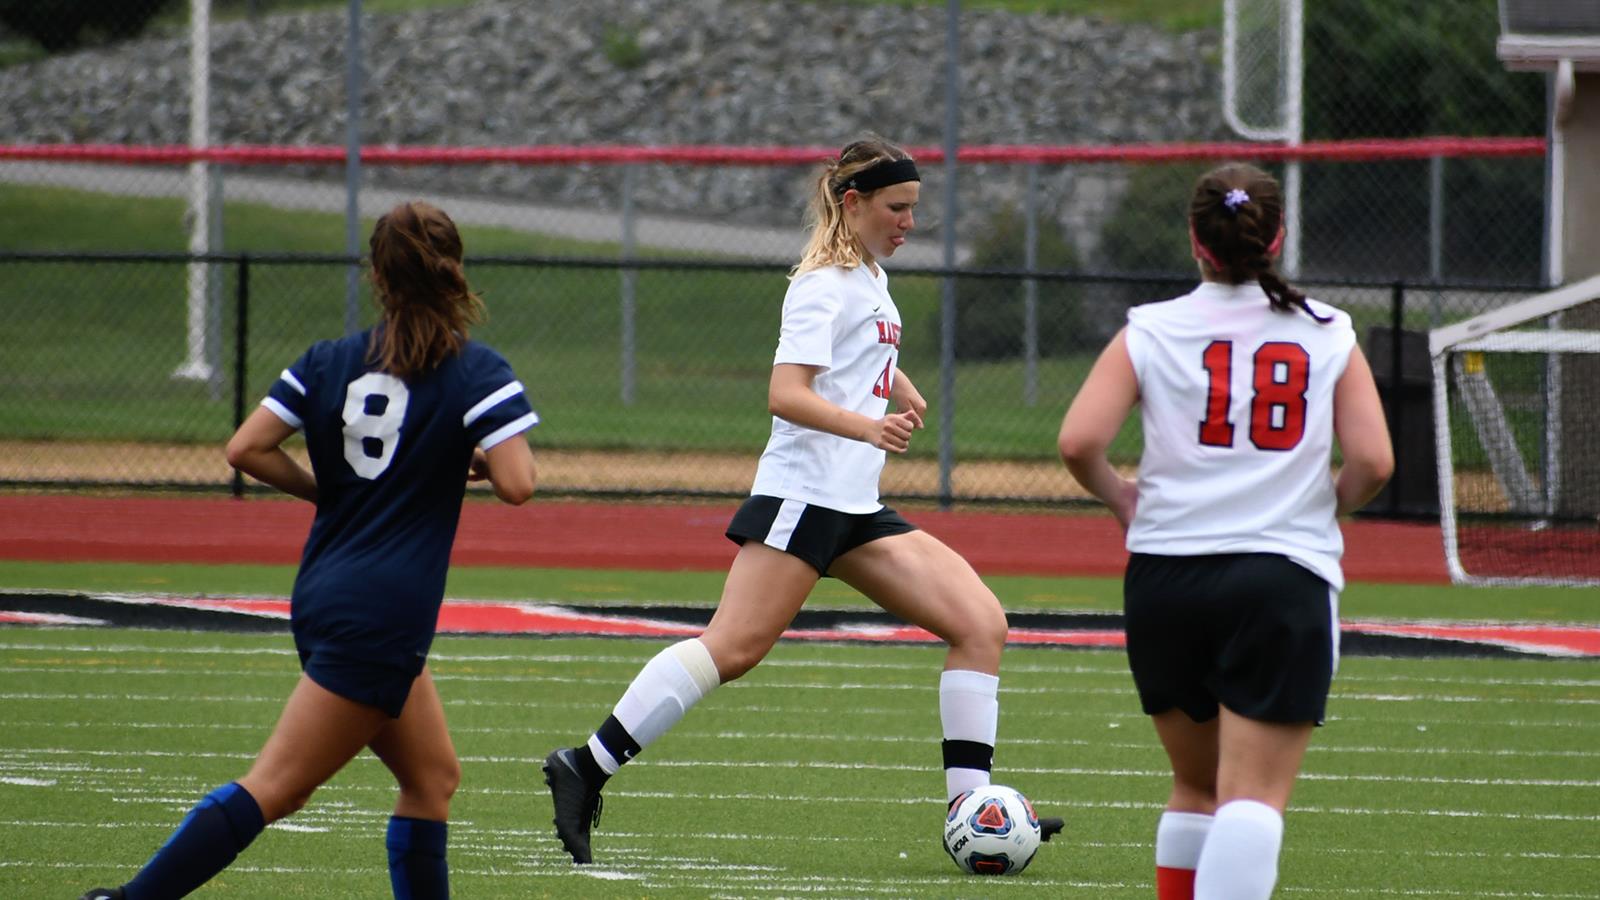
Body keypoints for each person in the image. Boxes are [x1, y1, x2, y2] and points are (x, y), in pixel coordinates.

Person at [541, 136, 1061, 865]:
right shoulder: (821, 282)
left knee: (980, 623)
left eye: (915, 208)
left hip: (854, 504)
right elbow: (786, 393)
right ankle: (586, 765)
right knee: (734, 648)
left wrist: (896, 383)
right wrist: (868, 423)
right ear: (853, 203)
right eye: (897, 207)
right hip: (805, 498)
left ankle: (973, 811)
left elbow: (860, 353)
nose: (911, 221)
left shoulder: (869, 276)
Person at [80, 201, 540, 900]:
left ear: (379, 277)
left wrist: (327, 490)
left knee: (431, 778)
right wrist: (466, 459)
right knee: (275, 787)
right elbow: (519, 484)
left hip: (324, 591)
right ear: (454, 272)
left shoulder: (328, 361)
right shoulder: (474, 368)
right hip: (383, 615)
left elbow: (246, 448)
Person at [1058, 163, 1394, 900]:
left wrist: (1122, 501)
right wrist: (1326, 504)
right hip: (1279, 575)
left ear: (1194, 239)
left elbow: (1079, 441)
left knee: (1194, 786)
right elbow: (1373, 460)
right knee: (1251, 798)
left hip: (1166, 578)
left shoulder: (1150, 329)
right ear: (1278, 236)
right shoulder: (1327, 332)